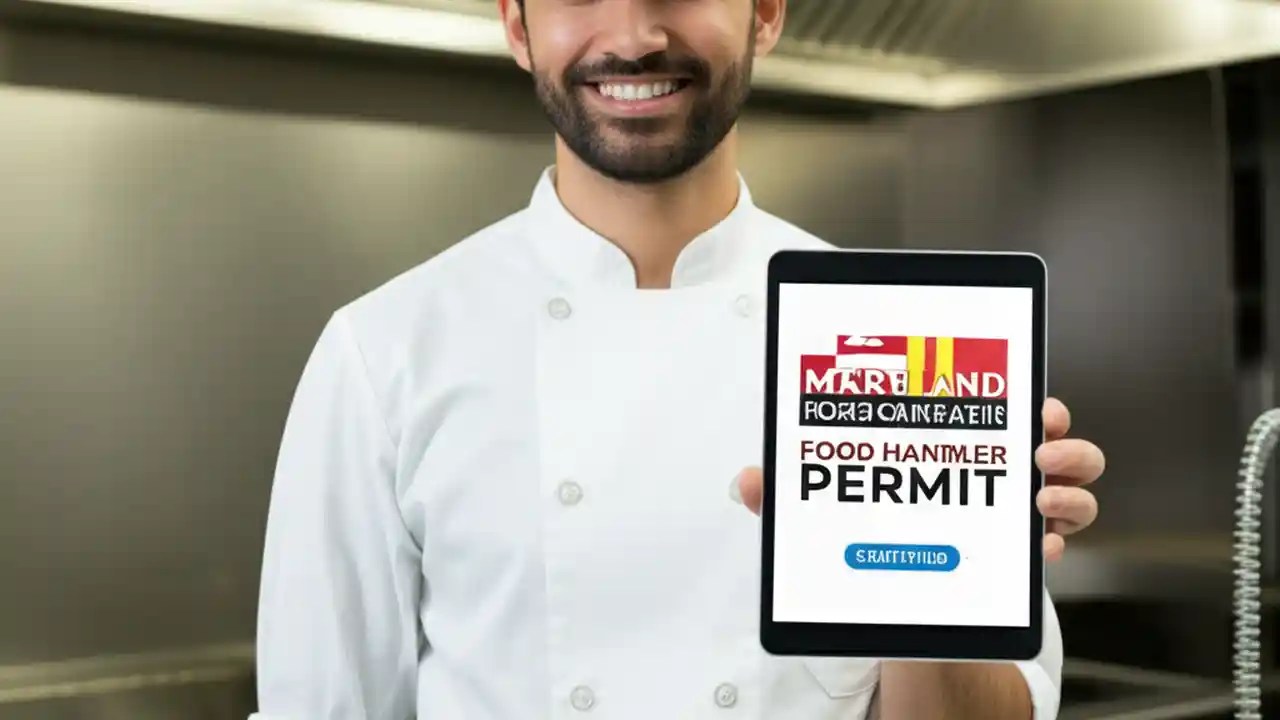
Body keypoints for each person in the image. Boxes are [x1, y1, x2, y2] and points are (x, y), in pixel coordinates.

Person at [251, 0, 1105, 718]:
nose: (634, 37)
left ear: (764, 12)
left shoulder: (900, 342)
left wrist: (942, 553)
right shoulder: (386, 353)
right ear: (516, 24)